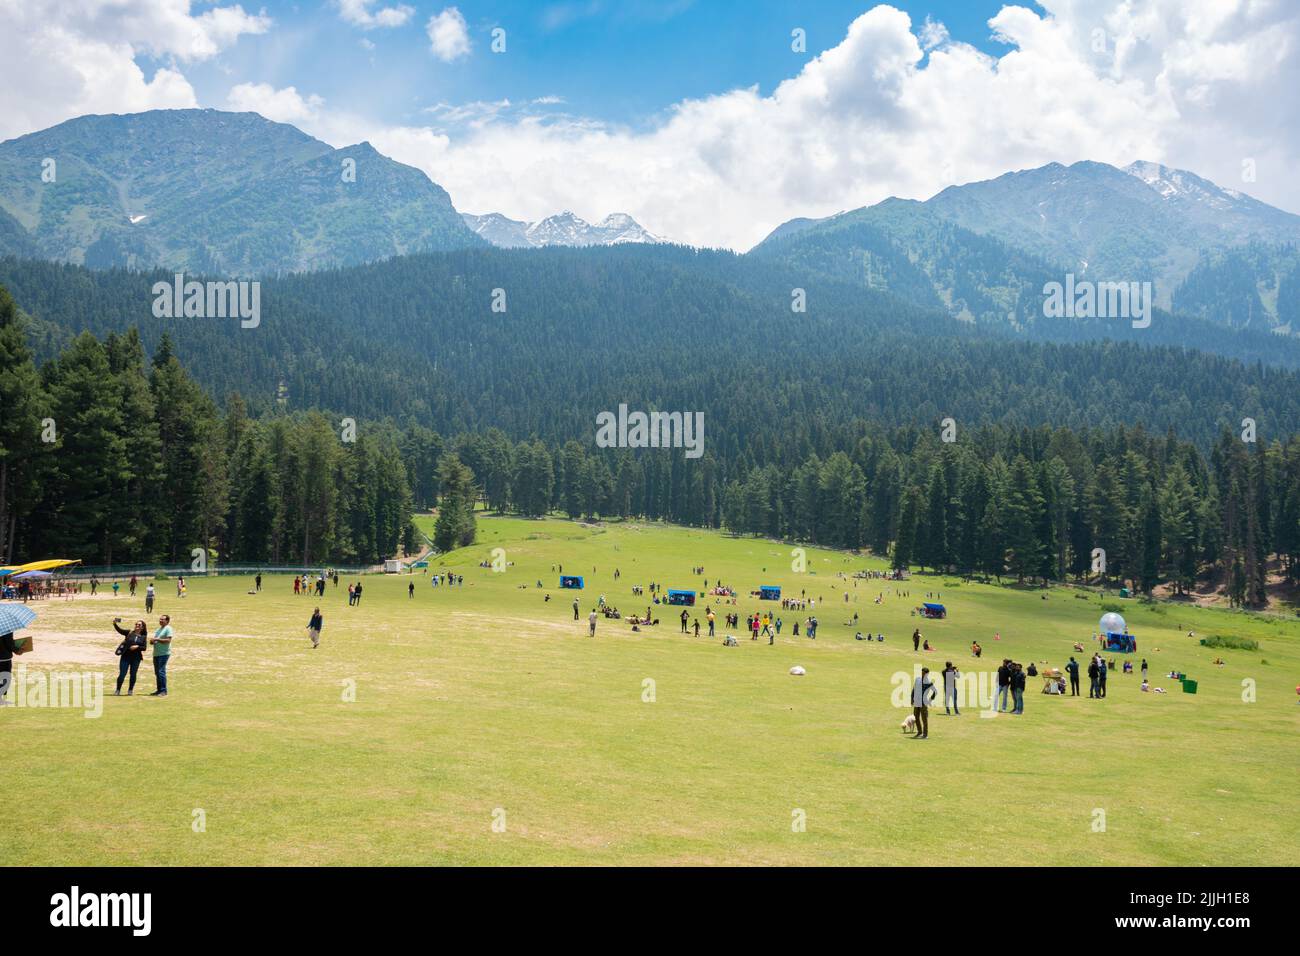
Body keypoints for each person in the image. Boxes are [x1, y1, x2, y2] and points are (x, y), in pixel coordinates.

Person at [112, 618, 148, 695]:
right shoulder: (129, 632)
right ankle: (118, 690)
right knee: (122, 673)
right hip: (125, 656)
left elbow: (144, 648)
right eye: (136, 624)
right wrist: (114, 623)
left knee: (133, 674)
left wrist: (137, 647)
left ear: (142, 627)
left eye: (139, 625)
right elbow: (120, 630)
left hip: (136, 658)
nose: (137, 626)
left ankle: (130, 690)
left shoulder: (143, 636)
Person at [149, 614, 173, 697]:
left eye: (162, 619)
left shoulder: (168, 628)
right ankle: (159, 690)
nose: (160, 621)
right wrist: (152, 641)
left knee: (161, 672)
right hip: (156, 653)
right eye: (160, 619)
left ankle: (163, 691)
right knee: (157, 672)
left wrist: (157, 639)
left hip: (164, 653)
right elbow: (156, 640)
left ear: (167, 621)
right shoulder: (158, 630)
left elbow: (168, 640)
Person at [911, 667, 936, 739]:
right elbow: (914, 689)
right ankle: (919, 732)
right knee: (916, 717)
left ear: (927, 674)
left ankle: (925, 735)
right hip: (917, 701)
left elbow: (935, 691)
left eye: (924, 673)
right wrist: (912, 698)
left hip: (923, 703)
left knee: (924, 718)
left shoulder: (929, 682)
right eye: (922, 672)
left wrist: (930, 699)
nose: (923, 674)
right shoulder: (917, 679)